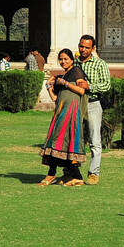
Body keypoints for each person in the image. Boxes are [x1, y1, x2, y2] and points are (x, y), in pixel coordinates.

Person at [39, 48, 89, 186]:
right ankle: (72, 176)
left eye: (66, 59)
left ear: (72, 60)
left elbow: (81, 90)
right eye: (61, 59)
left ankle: (52, 174)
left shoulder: (76, 71)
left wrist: (65, 84)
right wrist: (49, 86)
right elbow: (56, 98)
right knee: (59, 142)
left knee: (61, 141)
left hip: (71, 113)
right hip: (60, 113)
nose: (63, 61)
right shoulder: (63, 76)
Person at [77, 34, 110, 185]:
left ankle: (93, 173)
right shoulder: (75, 64)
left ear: (93, 48)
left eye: (87, 47)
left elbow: (106, 85)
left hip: (92, 103)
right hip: (77, 104)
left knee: (94, 140)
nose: (83, 50)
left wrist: (89, 86)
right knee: (76, 139)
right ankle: (72, 171)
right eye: (81, 46)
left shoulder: (99, 64)